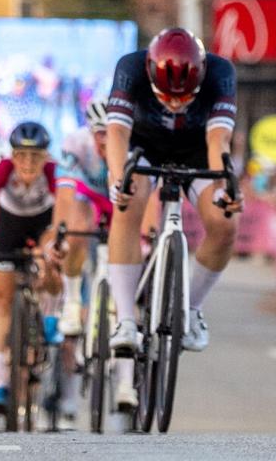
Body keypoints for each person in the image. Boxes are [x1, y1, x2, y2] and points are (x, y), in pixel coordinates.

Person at [104, 27, 239, 412]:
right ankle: (126, 320)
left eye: (185, 97)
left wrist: (224, 190)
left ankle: (191, 310)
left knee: (227, 221)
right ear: (150, 74)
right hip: (143, 148)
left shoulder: (220, 73)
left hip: (197, 153)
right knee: (130, 200)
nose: (176, 105)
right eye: (166, 96)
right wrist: (118, 180)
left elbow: (218, 143)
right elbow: (116, 132)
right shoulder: (130, 67)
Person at [0, 121, 60, 414]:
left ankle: (50, 315)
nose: (29, 163)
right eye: (22, 156)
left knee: (50, 261)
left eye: (36, 156)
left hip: (41, 223)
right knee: (2, 304)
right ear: (13, 156)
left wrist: (48, 247)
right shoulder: (2, 173)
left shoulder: (52, 174)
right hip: (9, 228)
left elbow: (59, 220)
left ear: (46, 157)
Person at [50, 99, 112, 337]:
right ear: (90, 132)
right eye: (100, 133)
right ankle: (72, 300)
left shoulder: (129, 144)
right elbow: (65, 194)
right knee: (76, 229)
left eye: (111, 133)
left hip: (116, 194)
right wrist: (61, 233)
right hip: (88, 193)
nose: (105, 139)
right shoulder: (76, 143)